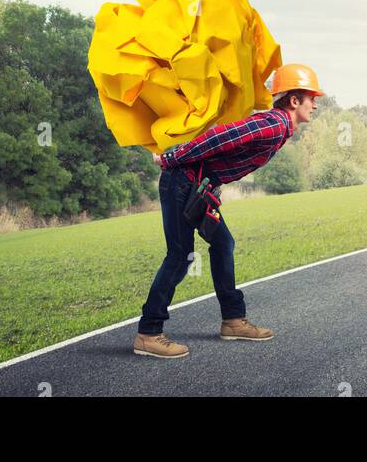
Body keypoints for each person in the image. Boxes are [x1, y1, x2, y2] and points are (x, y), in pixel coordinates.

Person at [132, 63, 325, 359]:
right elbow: (220, 136)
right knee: (180, 256)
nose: (316, 103)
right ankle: (148, 332)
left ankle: (233, 321)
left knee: (223, 243)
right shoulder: (273, 124)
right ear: (295, 100)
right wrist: (172, 158)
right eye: (312, 97)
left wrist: (212, 185)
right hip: (182, 181)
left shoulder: (281, 128)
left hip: (198, 187)